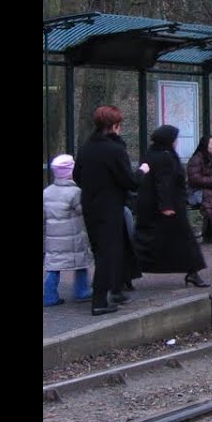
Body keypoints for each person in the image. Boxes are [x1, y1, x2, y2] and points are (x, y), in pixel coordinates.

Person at [74, 105, 148, 316]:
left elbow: (77, 176)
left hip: (90, 206)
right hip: (110, 208)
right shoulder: (115, 150)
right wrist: (142, 171)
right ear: (115, 126)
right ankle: (99, 302)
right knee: (108, 254)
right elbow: (131, 181)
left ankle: (115, 291)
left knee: (102, 251)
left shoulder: (87, 147)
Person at [134, 125, 210, 287]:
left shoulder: (151, 154)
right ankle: (193, 272)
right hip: (168, 207)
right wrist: (166, 206)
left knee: (147, 243)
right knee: (185, 240)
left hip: (151, 208)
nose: (177, 142)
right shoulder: (166, 157)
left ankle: (128, 272)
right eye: (175, 139)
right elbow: (164, 182)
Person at [43, 154, 93, 306]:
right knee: (81, 264)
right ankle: (81, 291)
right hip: (73, 237)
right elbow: (82, 211)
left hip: (53, 238)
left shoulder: (47, 192)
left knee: (53, 267)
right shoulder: (75, 192)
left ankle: (49, 296)